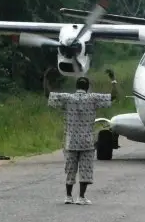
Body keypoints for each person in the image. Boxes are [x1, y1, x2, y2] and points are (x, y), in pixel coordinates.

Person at [47, 69, 118, 204]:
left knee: (70, 169)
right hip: (86, 141)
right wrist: (113, 79)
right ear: (87, 87)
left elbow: (48, 95)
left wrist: (46, 79)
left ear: (77, 87)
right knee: (85, 169)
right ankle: (81, 197)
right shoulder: (93, 99)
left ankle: (68, 196)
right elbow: (113, 96)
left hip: (71, 141)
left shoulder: (68, 98)